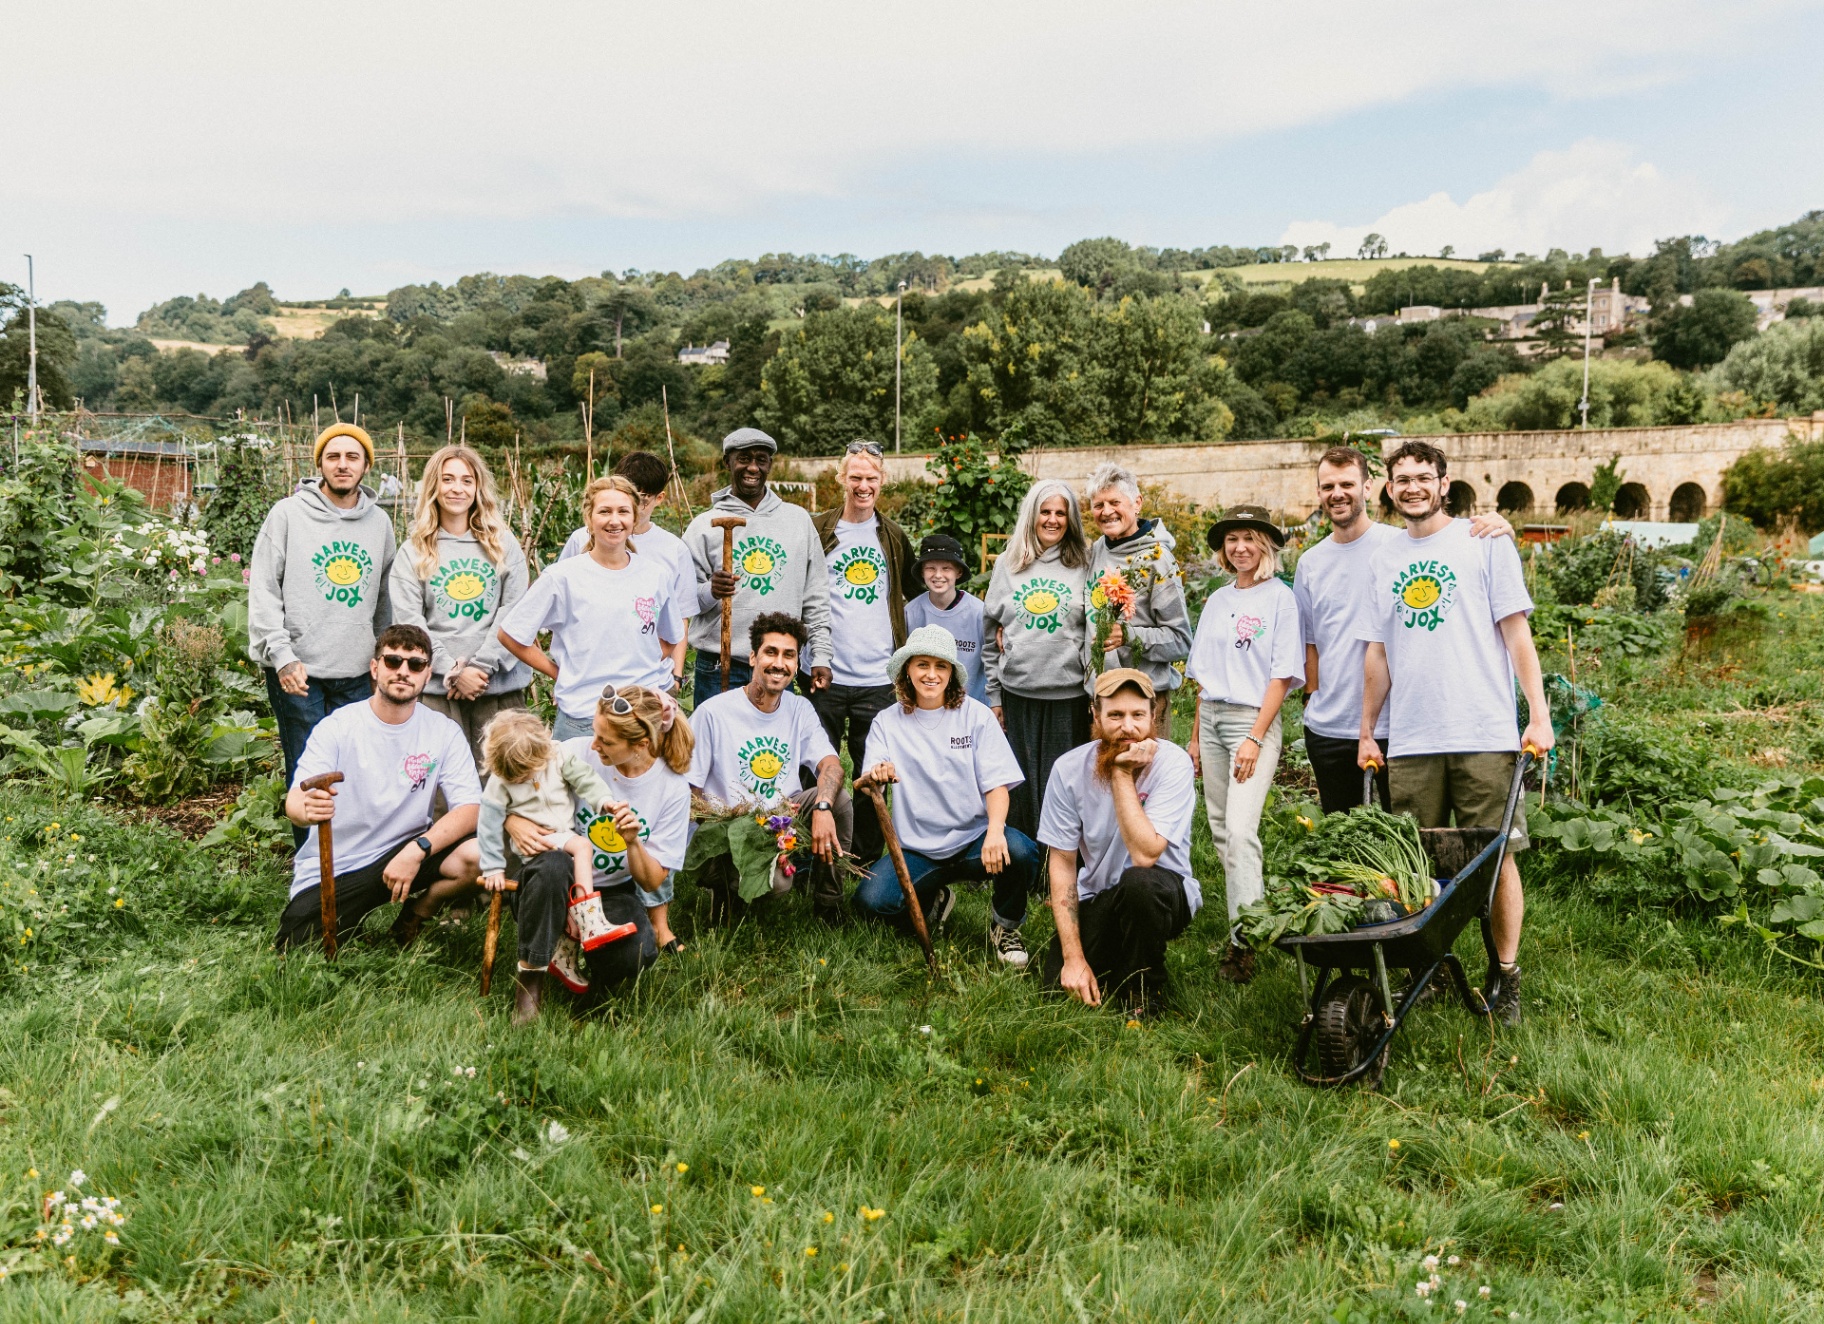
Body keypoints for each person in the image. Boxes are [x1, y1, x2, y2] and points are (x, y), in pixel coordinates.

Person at [1358, 440, 1555, 1025]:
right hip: (1413, 737)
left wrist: (1537, 716)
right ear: (1389, 489)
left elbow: (1516, 634)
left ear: (1445, 483)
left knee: (1496, 860)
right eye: (1402, 478)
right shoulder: (1384, 558)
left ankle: (1507, 974)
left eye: (1424, 476)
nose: (1412, 487)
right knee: (1419, 861)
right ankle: (1434, 965)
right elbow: (1377, 652)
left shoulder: (1483, 542)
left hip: (1483, 731)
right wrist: (1369, 730)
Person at [1295, 446, 1515, 816]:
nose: (1337, 493)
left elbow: (1441, 539)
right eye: (1328, 485)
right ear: (1318, 493)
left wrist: (1503, 527)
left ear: (1369, 488)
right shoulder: (1310, 562)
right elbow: (1311, 642)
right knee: (1350, 840)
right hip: (1331, 727)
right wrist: (1311, 696)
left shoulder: (1396, 546)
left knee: (1416, 838)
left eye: (1347, 483)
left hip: (1400, 725)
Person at [275, 624, 483, 951]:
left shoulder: (443, 732)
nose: (403, 672)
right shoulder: (338, 727)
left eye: (415, 665)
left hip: (407, 849)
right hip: (341, 865)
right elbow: (297, 798)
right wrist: (305, 810)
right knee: (297, 949)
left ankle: (415, 915)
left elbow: (471, 808)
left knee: (480, 852)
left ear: (427, 674)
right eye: (392, 662)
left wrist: (419, 849)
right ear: (375, 668)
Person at [496, 686, 690, 1022]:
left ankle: (589, 987)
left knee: (638, 952)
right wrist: (512, 820)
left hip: (611, 892)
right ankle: (530, 983)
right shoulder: (574, 752)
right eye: (595, 733)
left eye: (606, 741)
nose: (594, 744)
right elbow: (507, 780)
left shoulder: (671, 788)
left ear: (641, 745)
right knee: (555, 865)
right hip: (549, 886)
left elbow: (653, 879)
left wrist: (633, 843)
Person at [853, 625, 1042, 964]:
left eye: (941, 666)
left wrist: (996, 830)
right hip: (918, 848)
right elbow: (872, 780)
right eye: (922, 664)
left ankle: (1005, 926)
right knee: (871, 901)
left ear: (952, 673)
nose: (931, 674)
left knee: (1020, 850)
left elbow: (997, 783)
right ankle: (935, 898)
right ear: (907, 670)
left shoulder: (975, 716)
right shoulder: (887, 722)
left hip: (974, 841)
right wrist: (877, 774)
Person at [1184, 505, 1305, 985]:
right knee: (1218, 828)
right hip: (1212, 719)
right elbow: (1201, 677)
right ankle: (1248, 918)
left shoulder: (1280, 599)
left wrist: (1255, 736)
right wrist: (1194, 737)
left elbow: (1281, 674)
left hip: (1250, 723)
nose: (1239, 548)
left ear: (1266, 546)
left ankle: (1246, 942)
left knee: (1240, 829)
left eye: (1249, 539)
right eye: (1231, 540)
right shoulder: (1216, 600)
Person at [1038, 669, 1199, 1013]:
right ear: (1094, 716)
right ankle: (1117, 961)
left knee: (1139, 884)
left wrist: (1121, 773)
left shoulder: (1174, 764)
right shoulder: (1068, 770)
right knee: (1056, 985)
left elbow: (1145, 854)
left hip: (1164, 891)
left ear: (1154, 716)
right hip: (1101, 895)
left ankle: (1144, 990)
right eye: (1115, 715)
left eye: (1137, 715)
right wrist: (1073, 957)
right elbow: (1063, 862)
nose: (1128, 727)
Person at [249, 422, 396, 794]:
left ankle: (351, 852)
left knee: (354, 770)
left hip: (357, 671)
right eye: (333, 457)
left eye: (352, 457)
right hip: (300, 670)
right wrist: (282, 656)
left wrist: (383, 658)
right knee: (308, 772)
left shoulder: (379, 523)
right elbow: (264, 590)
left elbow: (385, 599)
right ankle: (311, 855)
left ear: (366, 466)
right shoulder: (286, 515)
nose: (342, 464)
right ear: (320, 465)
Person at [687, 612, 850, 922]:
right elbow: (687, 790)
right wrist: (735, 822)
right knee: (776, 887)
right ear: (752, 657)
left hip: (781, 819)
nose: (779, 663)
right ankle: (721, 884)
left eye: (788, 655)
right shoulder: (714, 713)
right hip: (729, 827)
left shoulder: (798, 709)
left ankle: (829, 905)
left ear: (797, 665)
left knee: (838, 799)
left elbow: (832, 765)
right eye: (770, 652)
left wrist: (823, 807)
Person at [476, 708, 637, 1017]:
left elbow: (586, 780)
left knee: (577, 849)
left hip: (560, 836)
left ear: (542, 752)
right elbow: (487, 825)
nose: (521, 780)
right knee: (581, 847)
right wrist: (493, 867)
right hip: (536, 849)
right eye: (515, 778)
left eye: (526, 774)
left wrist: (603, 801)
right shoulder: (499, 783)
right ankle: (589, 919)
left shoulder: (558, 756)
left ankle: (569, 945)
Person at [497, 476, 684, 741]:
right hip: (582, 716)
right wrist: (558, 672)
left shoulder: (655, 575)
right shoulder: (562, 577)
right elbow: (511, 634)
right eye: (604, 511)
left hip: (642, 715)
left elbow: (669, 639)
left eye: (623, 511)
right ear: (589, 518)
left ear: (634, 518)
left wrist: (635, 659)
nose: (614, 520)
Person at [809, 440, 922, 866]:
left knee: (872, 770)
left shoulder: (891, 535)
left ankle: (864, 858)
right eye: (855, 477)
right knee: (816, 766)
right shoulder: (819, 529)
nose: (862, 485)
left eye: (871, 478)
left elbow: (915, 593)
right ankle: (814, 851)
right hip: (826, 674)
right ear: (841, 479)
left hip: (878, 675)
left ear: (882, 482)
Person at [388, 444, 531, 767]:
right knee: (439, 790)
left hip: (497, 689)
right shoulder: (413, 551)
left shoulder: (503, 544)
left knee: (506, 785)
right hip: (438, 693)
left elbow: (515, 611)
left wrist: (480, 668)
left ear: (478, 487)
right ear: (433, 487)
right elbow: (410, 623)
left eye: (467, 480)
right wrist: (452, 672)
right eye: (448, 479)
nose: (457, 488)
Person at [683, 428, 831, 700]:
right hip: (719, 664)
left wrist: (821, 654)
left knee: (766, 742)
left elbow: (816, 597)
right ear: (727, 462)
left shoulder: (797, 521)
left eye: (761, 459)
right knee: (716, 742)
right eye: (744, 458)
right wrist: (711, 591)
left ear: (769, 465)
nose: (753, 467)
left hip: (776, 665)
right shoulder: (704, 526)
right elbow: (683, 602)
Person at [983, 479, 1095, 839]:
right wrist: (995, 695)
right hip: (1019, 692)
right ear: (1031, 516)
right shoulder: (1008, 564)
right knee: (1020, 786)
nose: (1052, 520)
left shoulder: (1084, 562)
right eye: (1045, 512)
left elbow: (1095, 626)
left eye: (1061, 513)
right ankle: (1023, 863)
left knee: (1062, 784)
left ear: (1071, 519)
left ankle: (1059, 863)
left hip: (1068, 695)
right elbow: (990, 633)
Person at [561, 451, 693, 687]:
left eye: (643, 499)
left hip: (650, 679)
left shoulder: (673, 549)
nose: (635, 506)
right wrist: (563, 675)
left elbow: (680, 618)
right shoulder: (581, 539)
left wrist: (676, 675)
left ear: (659, 498)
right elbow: (562, 609)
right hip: (588, 677)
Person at [1085, 463, 1191, 734]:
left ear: (1137, 503)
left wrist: (1129, 637)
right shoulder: (1096, 551)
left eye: (1114, 502)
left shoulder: (1158, 560)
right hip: (1101, 701)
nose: (1106, 511)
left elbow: (1180, 641)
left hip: (1143, 701)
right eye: (1098, 505)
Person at [904, 533, 988, 703]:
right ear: (922, 571)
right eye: (931, 568)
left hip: (971, 706)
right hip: (925, 706)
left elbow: (992, 661)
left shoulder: (979, 612)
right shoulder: (911, 612)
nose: (938, 575)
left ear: (959, 572)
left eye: (946, 568)